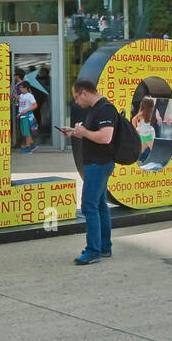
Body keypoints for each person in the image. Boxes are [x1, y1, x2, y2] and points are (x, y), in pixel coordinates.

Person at [62, 79, 115, 265]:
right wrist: (74, 132)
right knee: (100, 205)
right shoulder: (95, 109)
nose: (76, 102)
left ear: (84, 92)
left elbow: (106, 137)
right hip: (97, 163)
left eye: (76, 97)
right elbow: (92, 133)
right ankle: (104, 246)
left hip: (99, 164)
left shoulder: (104, 109)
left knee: (88, 206)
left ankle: (93, 251)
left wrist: (83, 132)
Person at [133, 96, 155, 166]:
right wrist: (135, 128)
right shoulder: (144, 113)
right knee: (154, 150)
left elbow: (134, 120)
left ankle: (137, 161)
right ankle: (151, 163)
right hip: (147, 135)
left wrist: (136, 128)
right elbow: (134, 120)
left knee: (141, 150)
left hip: (143, 135)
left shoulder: (143, 113)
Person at [17, 81, 38, 153]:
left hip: (27, 116)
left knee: (26, 132)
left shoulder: (30, 96)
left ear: (26, 88)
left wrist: (26, 110)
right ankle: (32, 145)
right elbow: (21, 102)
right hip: (22, 116)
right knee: (24, 131)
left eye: (21, 88)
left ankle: (28, 147)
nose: (20, 89)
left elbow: (35, 105)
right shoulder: (21, 95)